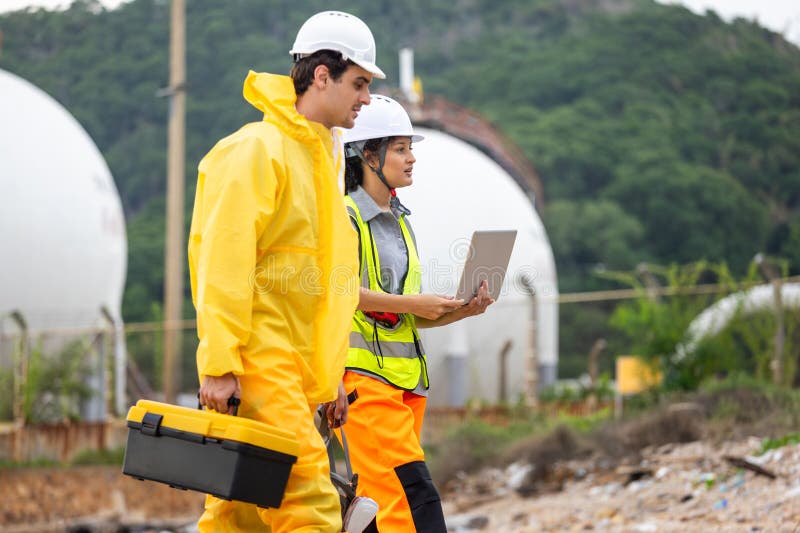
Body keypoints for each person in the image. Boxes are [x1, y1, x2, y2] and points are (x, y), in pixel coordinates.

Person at [189, 10, 385, 532]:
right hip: (257, 361)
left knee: (239, 511)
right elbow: (222, 262)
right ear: (322, 75)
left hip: (294, 374)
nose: (366, 98)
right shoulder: (256, 151)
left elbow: (322, 287)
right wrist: (219, 362)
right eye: (359, 83)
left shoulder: (322, 163)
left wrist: (327, 382)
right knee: (307, 499)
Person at [337, 95, 494, 532]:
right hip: (363, 383)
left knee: (377, 508)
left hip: (407, 386)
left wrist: (459, 311)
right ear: (369, 154)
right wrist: (415, 304)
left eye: (411, 147)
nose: (412, 158)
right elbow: (341, 293)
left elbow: (405, 313)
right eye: (402, 148)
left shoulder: (400, 221)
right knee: (413, 501)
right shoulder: (344, 216)